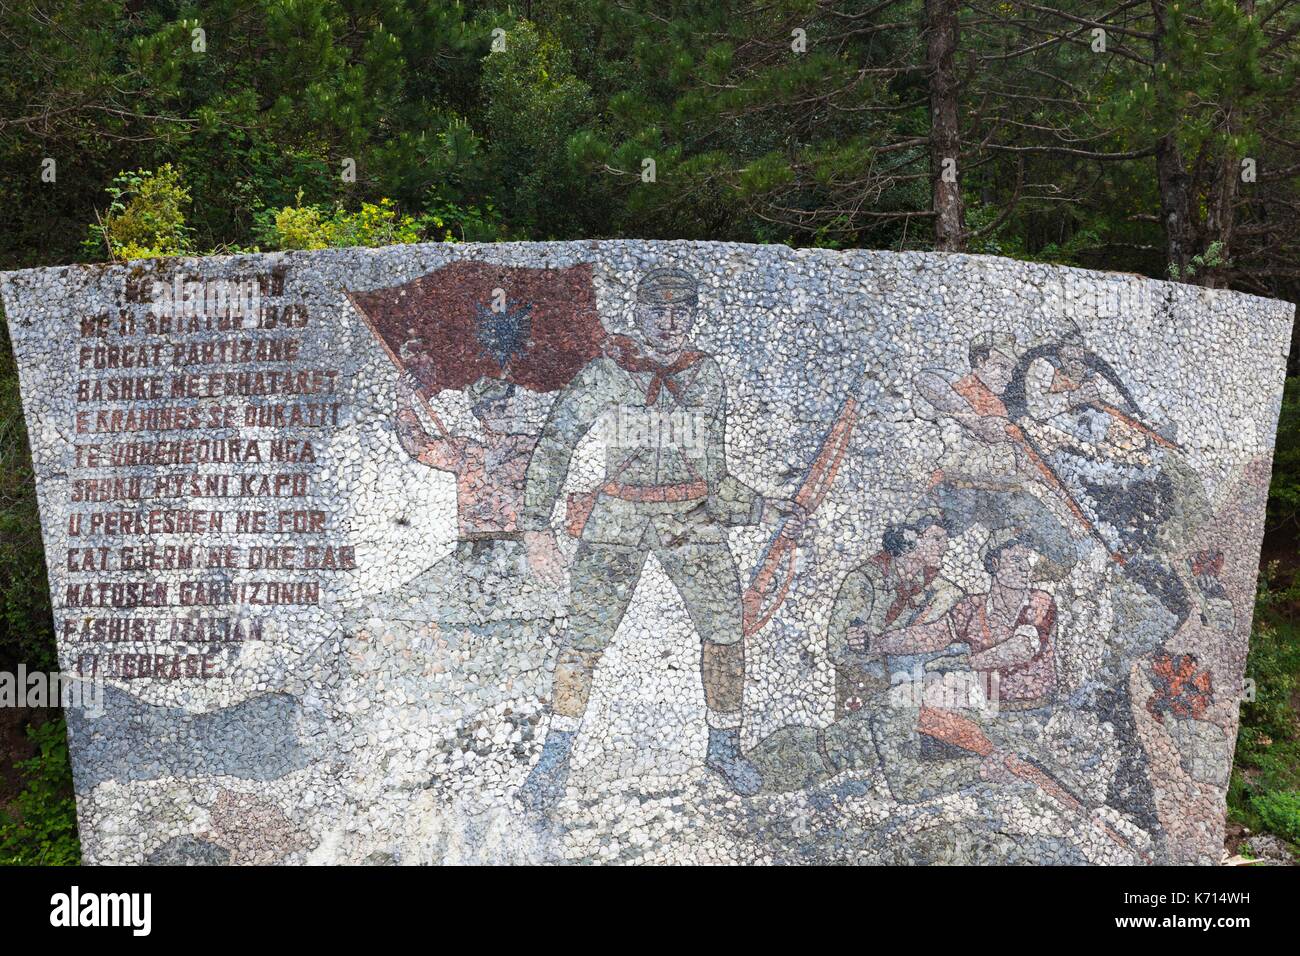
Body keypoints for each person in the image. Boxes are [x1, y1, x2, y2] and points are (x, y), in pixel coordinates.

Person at [516, 267, 802, 812]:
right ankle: (554, 756)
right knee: (583, 638)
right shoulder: (607, 373)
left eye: (682, 313)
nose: (670, 324)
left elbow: (715, 475)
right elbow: (555, 444)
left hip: (691, 515)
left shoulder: (706, 376)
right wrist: (536, 527)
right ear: (638, 314)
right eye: (658, 312)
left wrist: (763, 509)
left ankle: (723, 747)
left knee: (725, 629)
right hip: (617, 515)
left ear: (693, 318)